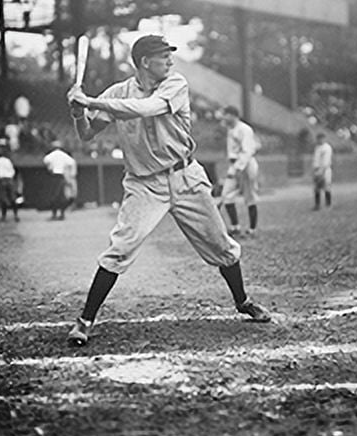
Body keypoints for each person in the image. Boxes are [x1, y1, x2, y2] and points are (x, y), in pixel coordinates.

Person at [64, 34, 271, 346]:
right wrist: (78, 111)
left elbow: (146, 108)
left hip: (186, 177)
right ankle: (85, 321)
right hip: (144, 184)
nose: (170, 61)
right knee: (120, 248)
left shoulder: (175, 84)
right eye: (164, 57)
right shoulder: (118, 92)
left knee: (222, 247)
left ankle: (242, 301)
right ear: (146, 62)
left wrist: (91, 101)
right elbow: (86, 136)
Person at [219, 105, 261, 237]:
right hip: (234, 163)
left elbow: (248, 150)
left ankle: (252, 229)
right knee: (226, 195)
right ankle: (235, 226)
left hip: (246, 164)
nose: (224, 117)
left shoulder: (245, 129)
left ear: (233, 115)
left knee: (249, 196)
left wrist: (238, 167)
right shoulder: (230, 128)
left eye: (226, 114)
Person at [42, 140, 78, 220]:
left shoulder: (51, 155)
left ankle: (54, 214)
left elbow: (45, 160)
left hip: (54, 176)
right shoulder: (64, 155)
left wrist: (50, 167)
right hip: (61, 176)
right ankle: (62, 214)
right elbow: (72, 162)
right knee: (61, 196)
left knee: (54, 195)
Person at [0, 144, 20, 222]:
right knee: (13, 198)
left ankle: (4, 216)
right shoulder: (7, 161)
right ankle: (16, 215)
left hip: (1, 181)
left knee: (3, 199)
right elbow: (13, 172)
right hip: (10, 180)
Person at [311, 132, 334, 210]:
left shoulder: (327, 148)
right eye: (318, 139)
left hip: (325, 170)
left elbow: (326, 161)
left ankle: (328, 204)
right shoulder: (317, 147)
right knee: (316, 188)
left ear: (324, 139)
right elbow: (315, 160)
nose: (319, 140)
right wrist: (315, 171)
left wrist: (322, 171)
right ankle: (317, 205)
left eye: (321, 138)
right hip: (317, 170)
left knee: (326, 187)